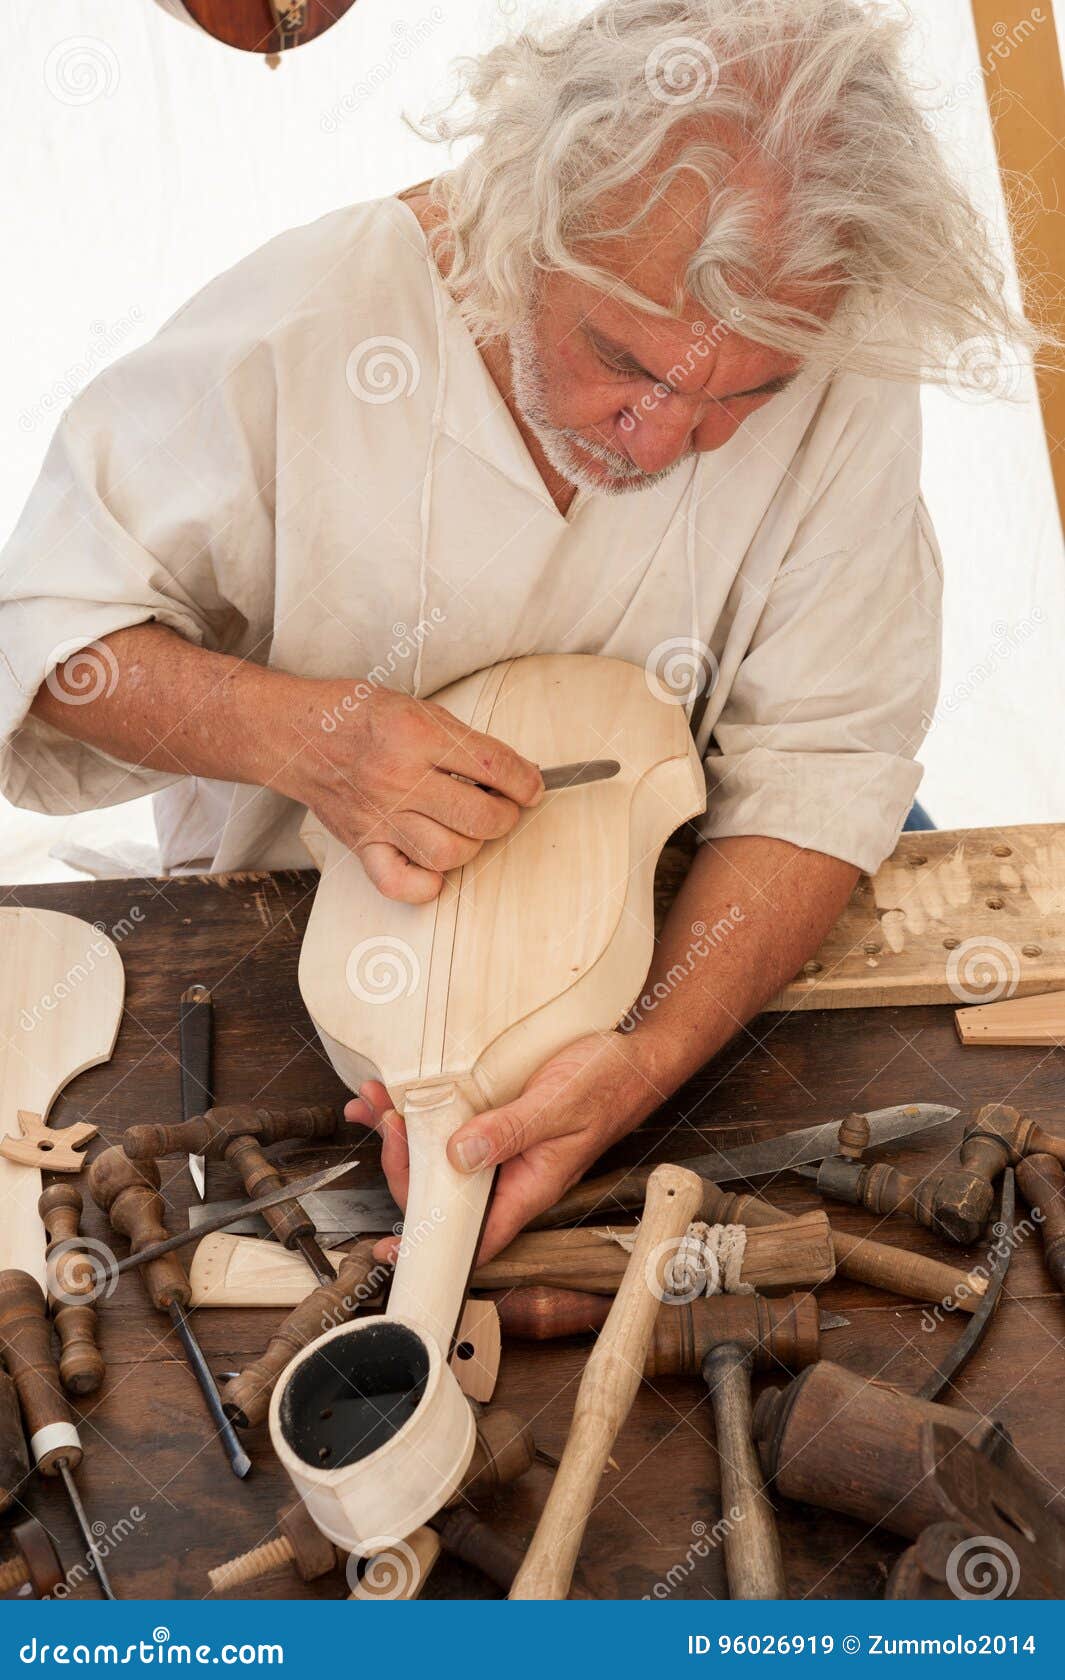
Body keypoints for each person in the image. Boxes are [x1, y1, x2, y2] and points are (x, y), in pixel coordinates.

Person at [0, 1, 1044, 1258]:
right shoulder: (318, 322)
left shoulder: (831, 354)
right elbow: (44, 637)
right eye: (625, 359)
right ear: (528, 224)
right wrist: (307, 737)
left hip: (674, 928)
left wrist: (644, 1054)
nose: (660, 438)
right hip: (302, 968)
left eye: (738, 400)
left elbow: (828, 758)